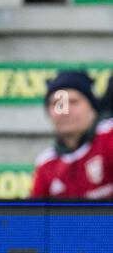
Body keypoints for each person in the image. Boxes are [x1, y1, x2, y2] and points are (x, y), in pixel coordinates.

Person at [31, 70, 113, 199]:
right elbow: (35, 217)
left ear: (92, 108)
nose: (65, 111)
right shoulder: (46, 164)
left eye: (73, 102)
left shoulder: (109, 136)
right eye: (57, 104)